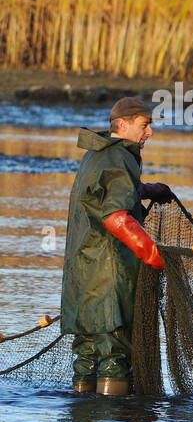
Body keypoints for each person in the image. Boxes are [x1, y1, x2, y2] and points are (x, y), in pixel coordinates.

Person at [60, 96, 174, 396]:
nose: (149, 133)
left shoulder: (95, 154)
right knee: (116, 356)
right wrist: (153, 254)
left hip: (82, 281)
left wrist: (146, 189)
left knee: (86, 356)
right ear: (122, 125)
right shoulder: (121, 157)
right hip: (111, 280)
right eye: (144, 125)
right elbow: (115, 216)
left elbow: (101, 196)